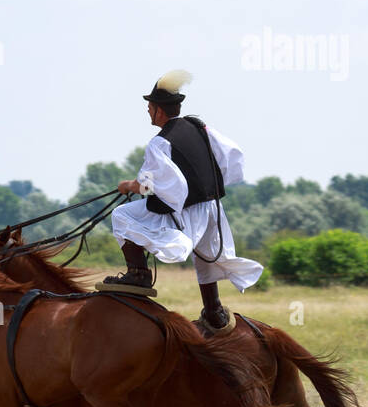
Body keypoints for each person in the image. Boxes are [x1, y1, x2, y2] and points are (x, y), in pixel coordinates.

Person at [99, 69, 263, 334]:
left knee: (122, 215)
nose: (148, 112)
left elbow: (150, 186)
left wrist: (129, 185)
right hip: (212, 207)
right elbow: (230, 154)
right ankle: (214, 311)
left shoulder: (159, 143)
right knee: (205, 258)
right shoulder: (199, 127)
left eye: (149, 107)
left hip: (187, 209)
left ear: (158, 111)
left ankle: (138, 274)